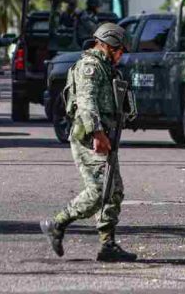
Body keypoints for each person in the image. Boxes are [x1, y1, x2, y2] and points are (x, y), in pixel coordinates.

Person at [40, 23, 137, 262]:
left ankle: (108, 245)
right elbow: (86, 103)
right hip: (89, 138)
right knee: (98, 192)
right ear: (108, 43)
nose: (121, 55)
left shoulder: (108, 69)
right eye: (120, 50)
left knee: (113, 192)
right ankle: (57, 223)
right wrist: (97, 134)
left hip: (107, 136)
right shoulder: (90, 67)